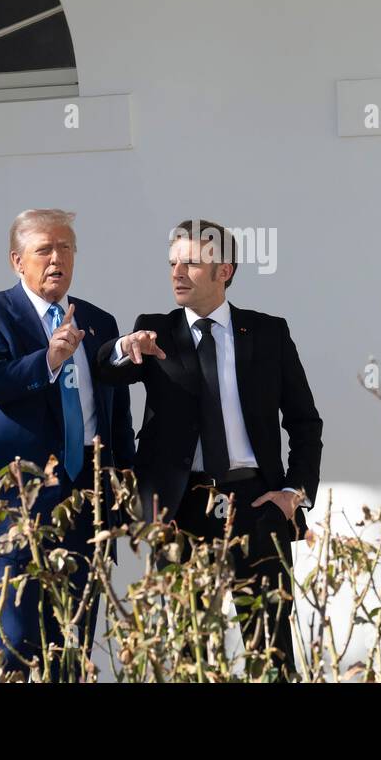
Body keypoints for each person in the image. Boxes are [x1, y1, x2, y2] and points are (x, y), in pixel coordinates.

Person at [95, 218, 322, 678]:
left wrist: (294, 493)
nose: (177, 272)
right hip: (181, 509)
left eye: (192, 263)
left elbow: (303, 421)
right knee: (185, 652)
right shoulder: (153, 332)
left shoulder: (268, 333)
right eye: (173, 263)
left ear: (225, 271)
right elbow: (109, 370)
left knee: (271, 651)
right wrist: (123, 346)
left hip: (257, 504)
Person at [0, 208, 134, 678]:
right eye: (44, 249)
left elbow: (113, 414)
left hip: (83, 514)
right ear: (17, 261)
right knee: (9, 651)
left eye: (66, 248)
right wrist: (49, 358)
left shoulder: (99, 321)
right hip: (6, 514)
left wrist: (123, 495)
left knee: (72, 650)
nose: (57, 258)